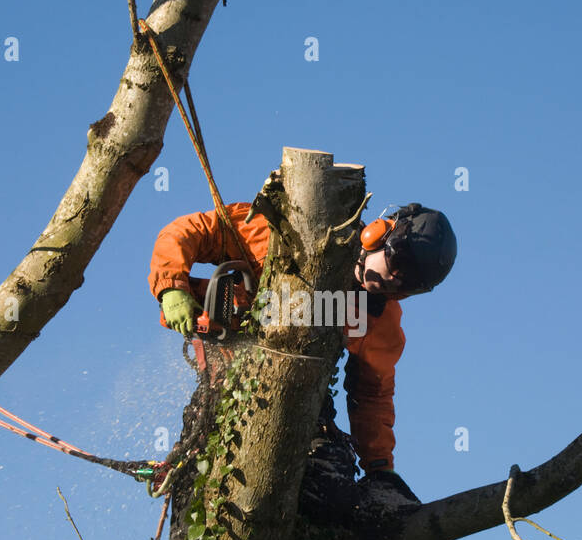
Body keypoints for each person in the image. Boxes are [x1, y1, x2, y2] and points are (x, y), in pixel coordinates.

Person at [149, 182, 455, 513]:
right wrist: (171, 287)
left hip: (306, 406)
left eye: (410, 282)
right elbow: (194, 229)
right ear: (379, 233)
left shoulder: (378, 317)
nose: (395, 281)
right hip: (223, 388)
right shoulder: (288, 235)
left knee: (332, 492)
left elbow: (372, 395)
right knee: (196, 496)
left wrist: (380, 468)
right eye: (398, 264)